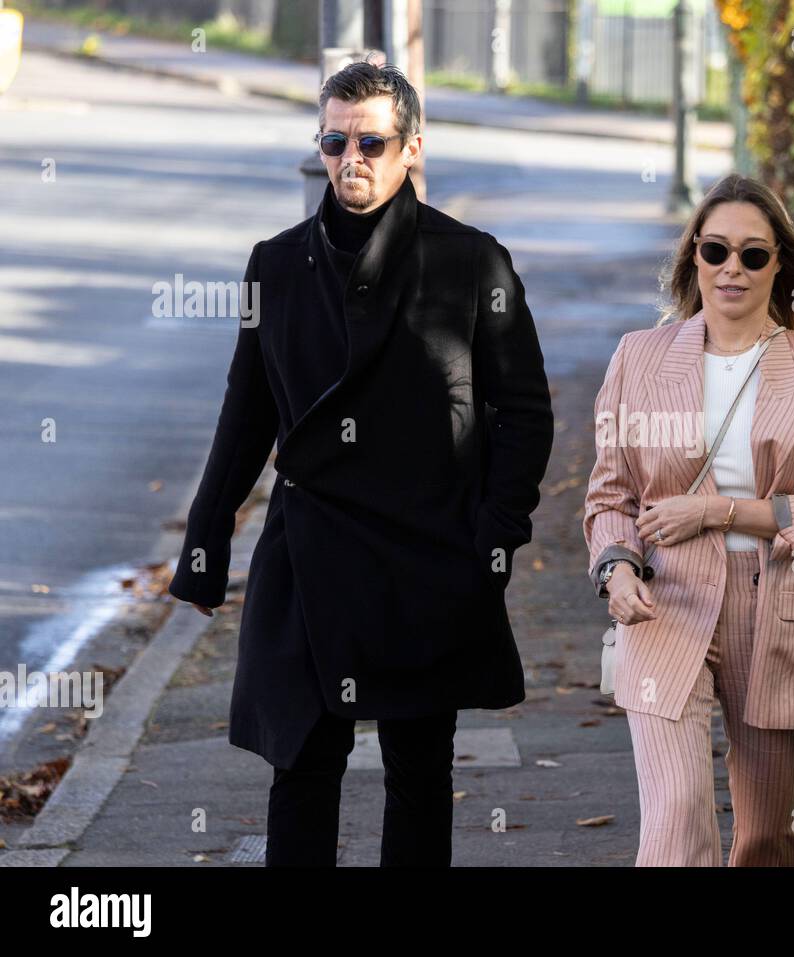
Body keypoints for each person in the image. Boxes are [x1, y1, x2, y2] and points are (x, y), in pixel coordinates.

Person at [167, 58, 553, 866]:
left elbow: (523, 411)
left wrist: (494, 534)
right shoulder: (273, 264)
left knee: (418, 771)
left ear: (411, 147)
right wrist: (205, 548)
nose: (353, 158)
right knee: (300, 764)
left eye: (372, 141)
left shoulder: (469, 261)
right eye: (335, 140)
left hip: (427, 555)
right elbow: (246, 414)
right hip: (308, 555)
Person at [583, 173, 794, 866]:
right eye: (716, 251)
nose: (732, 269)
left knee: (770, 838)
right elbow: (610, 494)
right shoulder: (639, 357)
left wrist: (722, 510)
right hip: (667, 601)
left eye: (753, 254)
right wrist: (616, 565)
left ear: (780, 264)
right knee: (677, 813)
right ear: (694, 257)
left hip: (779, 601)